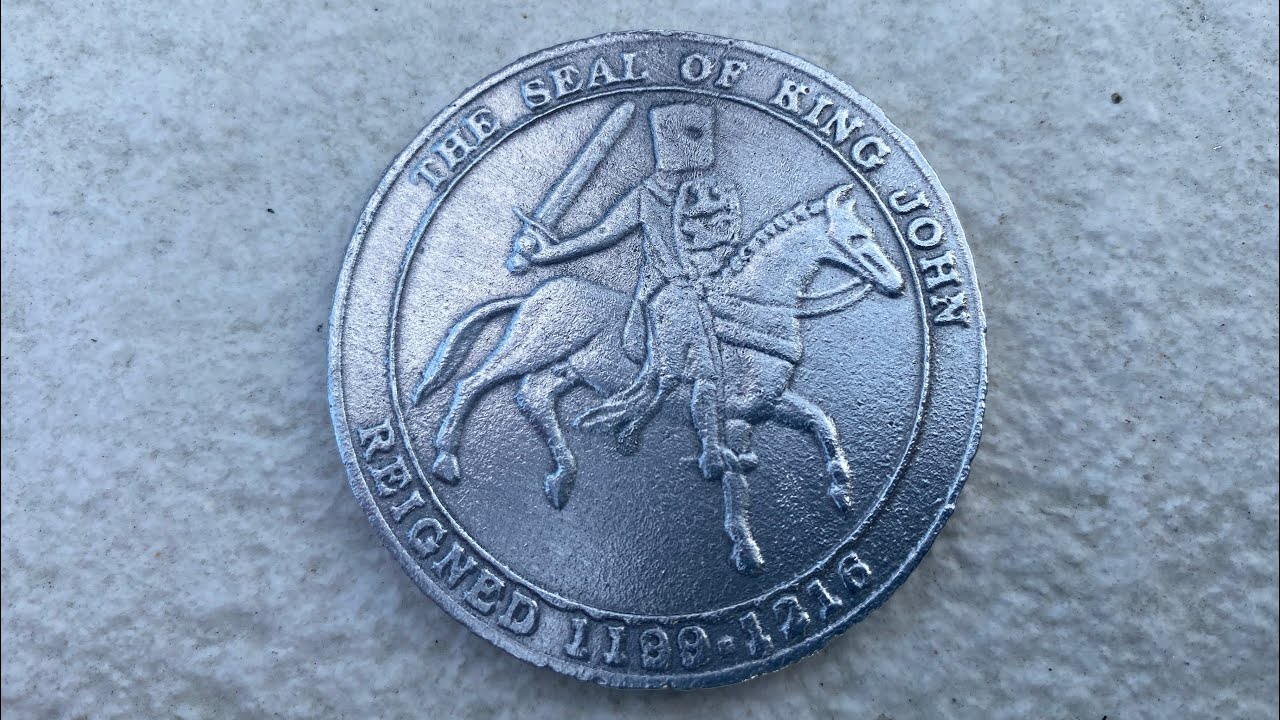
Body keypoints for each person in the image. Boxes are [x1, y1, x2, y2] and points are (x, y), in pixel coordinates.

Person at [516, 104, 742, 480]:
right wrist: (547, 256)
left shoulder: (706, 193)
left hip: (704, 290)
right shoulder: (646, 196)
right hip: (666, 297)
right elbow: (602, 235)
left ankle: (699, 440)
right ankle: (687, 440)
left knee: (718, 362)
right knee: (696, 374)